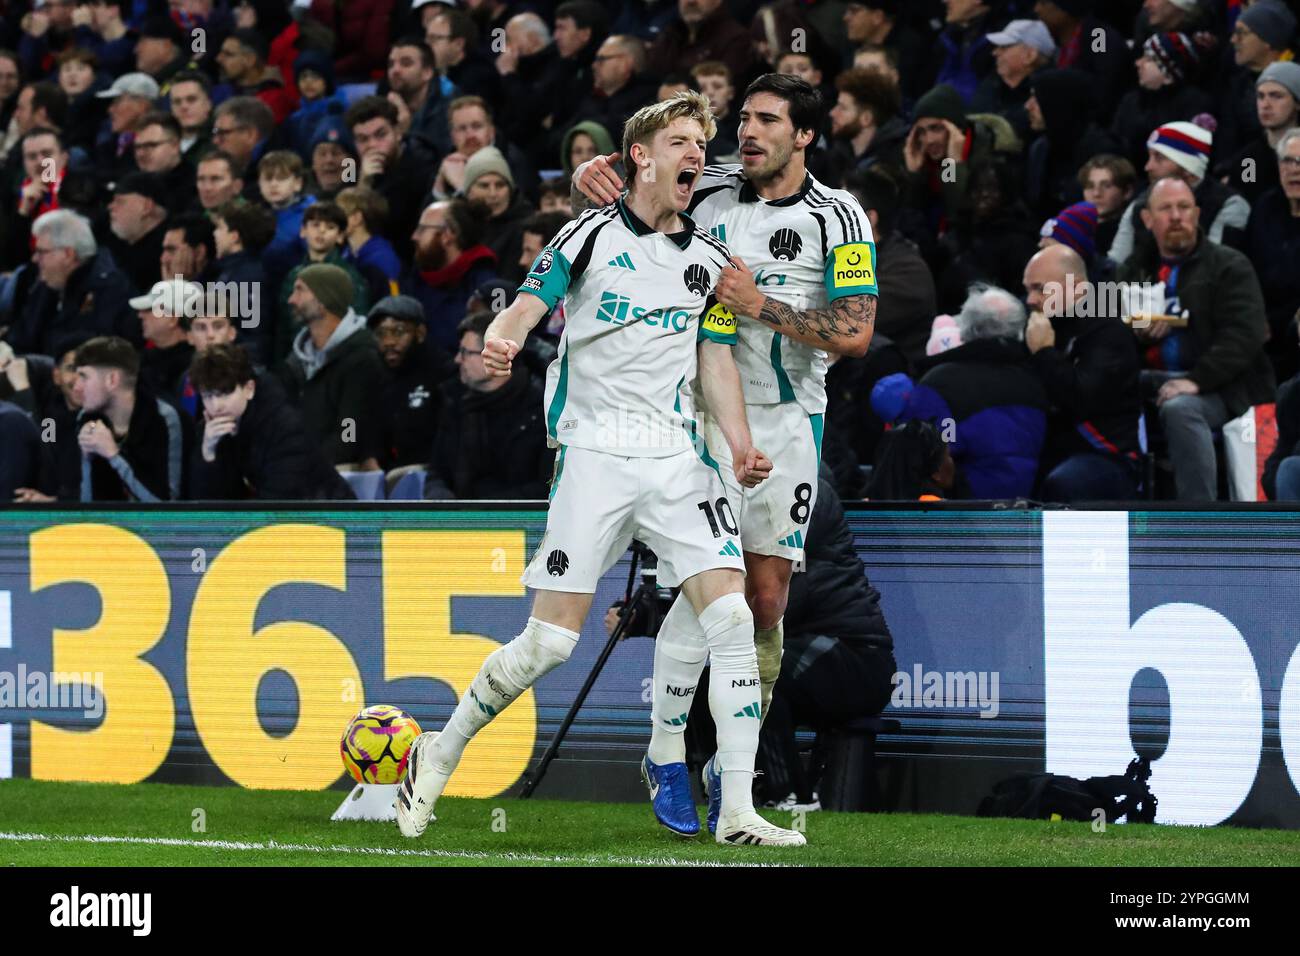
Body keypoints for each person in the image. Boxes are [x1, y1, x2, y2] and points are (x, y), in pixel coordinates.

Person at [398, 92, 804, 848]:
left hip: (677, 458)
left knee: (732, 618)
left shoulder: (710, 262)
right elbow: (526, 306)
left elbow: (715, 360)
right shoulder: (585, 234)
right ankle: (439, 752)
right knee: (550, 645)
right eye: (680, 141)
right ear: (640, 158)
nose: (695, 154)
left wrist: (740, 443)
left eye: (700, 144)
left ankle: (738, 810)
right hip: (594, 456)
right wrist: (503, 337)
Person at [573, 73, 877, 838]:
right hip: (697, 416)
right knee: (717, 588)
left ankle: (728, 767)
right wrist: (591, 174)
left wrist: (758, 306)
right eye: (744, 117)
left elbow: (854, 332)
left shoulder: (837, 215)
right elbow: (630, 182)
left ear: (804, 136)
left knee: (766, 603)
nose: (748, 132)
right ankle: (669, 753)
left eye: (768, 120)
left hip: (790, 422)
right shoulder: (705, 182)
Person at [1119, 177, 1275, 500]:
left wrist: (1195, 380)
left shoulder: (1229, 265)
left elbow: (1244, 336)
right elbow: (1112, 334)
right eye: (1166, 208)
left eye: (1184, 207)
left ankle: (1200, 513)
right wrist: (1139, 335)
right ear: (1147, 219)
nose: (1177, 216)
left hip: (1226, 385)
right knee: (1110, 387)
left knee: (1180, 409)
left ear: (1197, 213)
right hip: (1157, 376)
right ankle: (1118, 500)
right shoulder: (1133, 270)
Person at [754, 474, 897, 805]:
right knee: (712, 681)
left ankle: (790, 797)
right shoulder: (759, 495)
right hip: (812, 649)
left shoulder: (807, 492)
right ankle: (724, 783)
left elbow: (780, 604)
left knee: (760, 675)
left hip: (856, 654)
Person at [877, 285, 1048, 499]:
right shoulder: (1035, 380)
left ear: (965, 327)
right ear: (1019, 330)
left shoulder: (938, 383)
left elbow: (920, 455)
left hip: (958, 507)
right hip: (1032, 504)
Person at [1023, 245, 1141, 501]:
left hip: (1104, 455)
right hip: (1050, 447)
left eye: (1040, 289)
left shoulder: (1109, 331)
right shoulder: (1044, 325)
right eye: (1027, 289)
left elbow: (1081, 399)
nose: (1030, 299)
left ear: (1076, 288)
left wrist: (1044, 352)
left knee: (1062, 482)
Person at [190, 343, 356, 501]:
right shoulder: (210, 431)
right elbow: (207, 506)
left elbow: (278, 503)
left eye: (225, 393)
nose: (216, 406)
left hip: (331, 514)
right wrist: (209, 453)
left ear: (249, 389)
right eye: (208, 396)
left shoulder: (284, 429)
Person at [425, 310, 552, 499]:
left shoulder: (541, 411)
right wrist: (441, 499)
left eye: (466, 352)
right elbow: (437, 473)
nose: (457, 359)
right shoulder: (455, 402)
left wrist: (486, 509)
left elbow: (546, 488)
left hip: (517, 516)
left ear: (498, 356)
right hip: (461, 513)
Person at [279, 263, 386, 470]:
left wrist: (303, 466)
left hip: (339, 474)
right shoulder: (296, 361)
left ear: (323, 300)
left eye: (300, 290)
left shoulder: (361, 359)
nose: (291, 299)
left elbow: (350, 434)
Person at [64, 335, 188, 502]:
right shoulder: (87, 418)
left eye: (84, 376)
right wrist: (88, 459)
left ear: (112, 380)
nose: (76, 387)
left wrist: (113, 455)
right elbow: (87, 507)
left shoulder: (164, 418)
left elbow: (167, 507)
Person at [5, 209, 134, 357]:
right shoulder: (50, 281)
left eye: (41, 252)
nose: (35, 259)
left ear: (68, 254)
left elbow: (82, 353)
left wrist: (32, 364)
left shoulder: (109, 291)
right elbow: (21, 337)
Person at [403, 199, 499, 353]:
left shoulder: (485, 286)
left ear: (448, 235)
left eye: (422, 229)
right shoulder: (417, 277)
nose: (414, 236)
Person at [129, 277, 197, 408]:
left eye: (150, 309)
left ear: (172, 319)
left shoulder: (193, 368)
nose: (140, 315)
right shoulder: (142, 359)